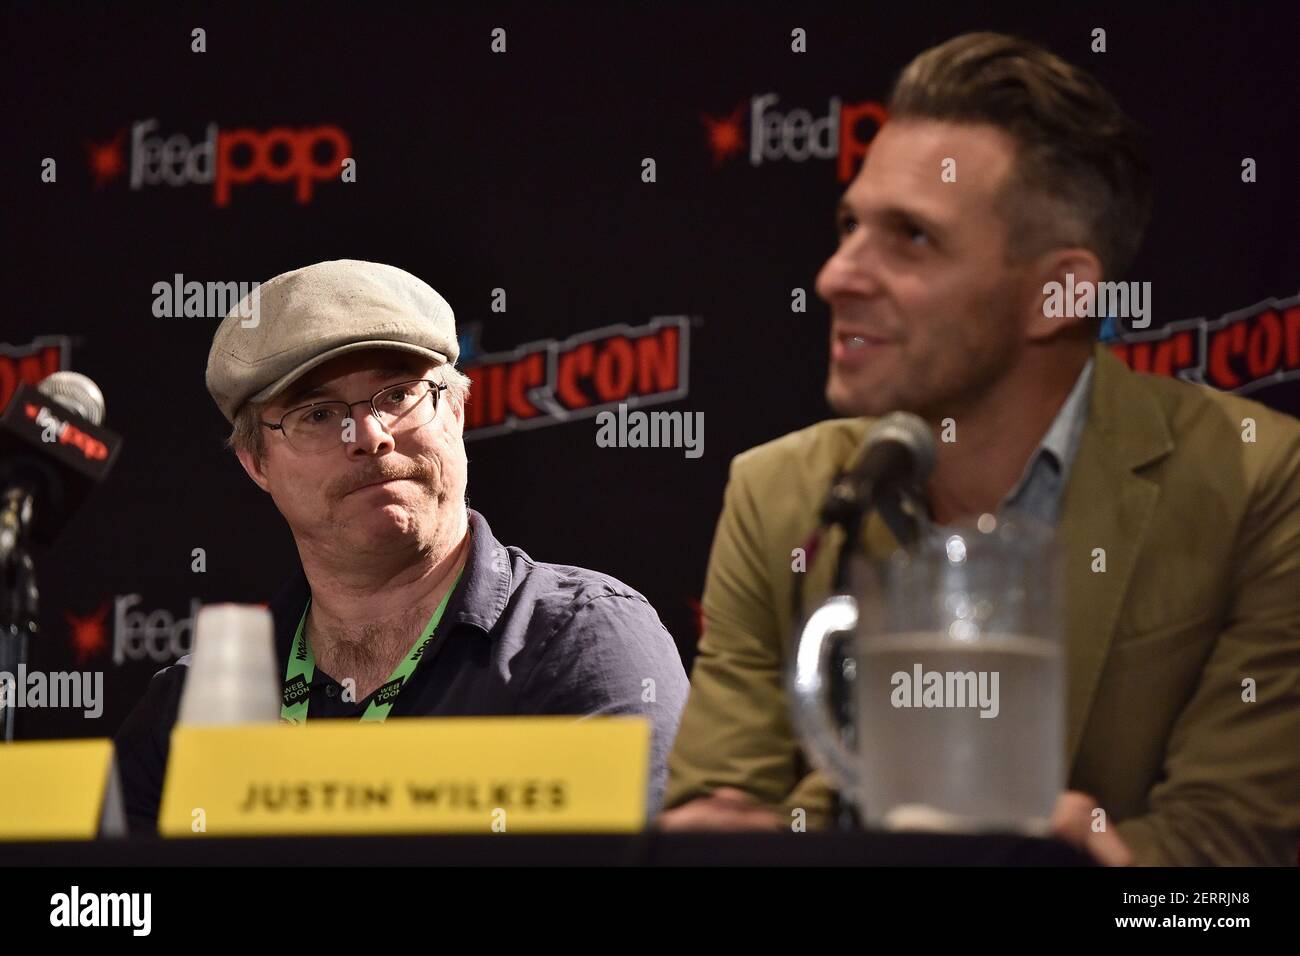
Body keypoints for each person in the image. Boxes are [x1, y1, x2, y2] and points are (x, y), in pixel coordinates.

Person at [659, 33, 1300, 866]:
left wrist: (1086, 860)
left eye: (912, 239)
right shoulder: (778, 488)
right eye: (850, 225)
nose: (836, 275)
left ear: (1061, 292)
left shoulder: (1258, 476)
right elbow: (727, 810)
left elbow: (1236, 851)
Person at [115, 259, 688, 833]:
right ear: (256, 464)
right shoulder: (188, 709)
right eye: (317, 413)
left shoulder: (581, 637)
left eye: (397, 395)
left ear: (457, 412)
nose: (369, 435)